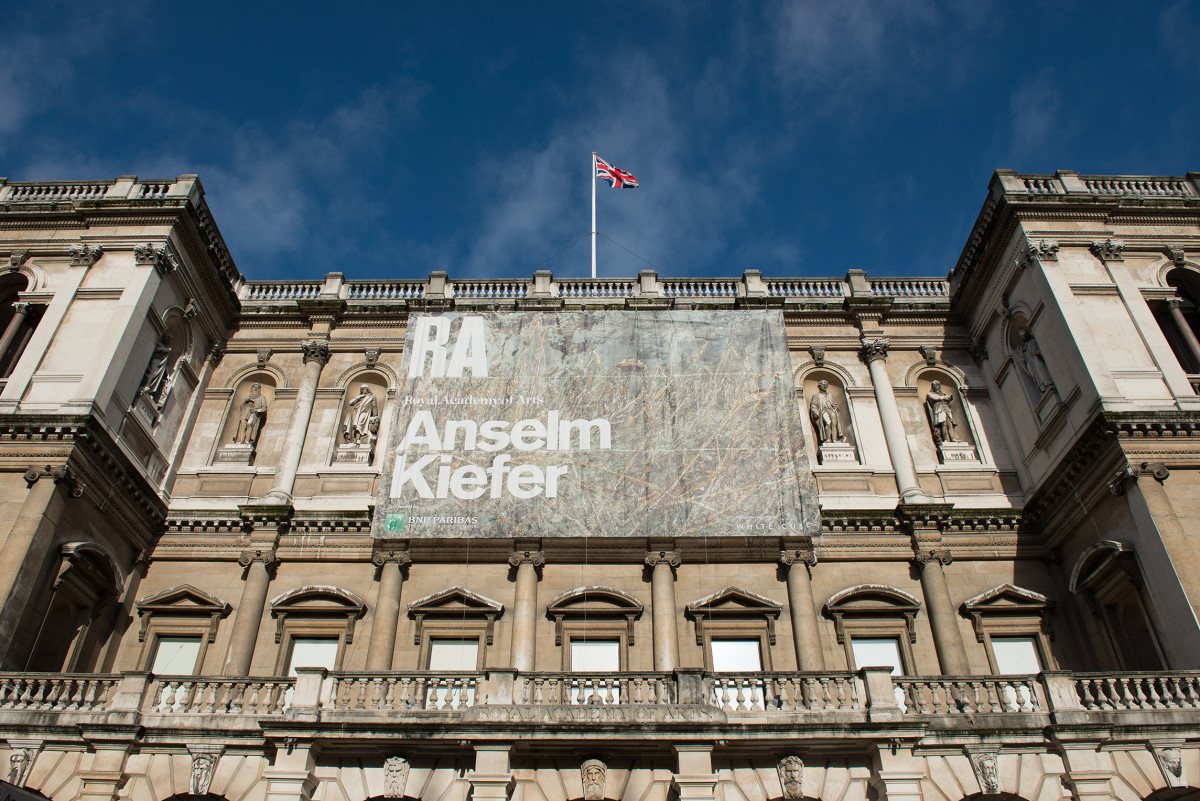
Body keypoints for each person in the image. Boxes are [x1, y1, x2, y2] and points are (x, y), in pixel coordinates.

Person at [1016, 326, 1054, 393]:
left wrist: (1035, 353)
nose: (1024, 336)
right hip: (1032, 365)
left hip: (1037, 360)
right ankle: (1042, 387)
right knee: (1037, 376)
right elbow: (1023, 361)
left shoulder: (1033, 341)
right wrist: (1020, 352)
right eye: (1022, 336)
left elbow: (1041, 350)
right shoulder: (1024, 348)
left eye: (1025, 334)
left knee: (1041, 369)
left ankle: (1048, 382)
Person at [808, 380, 845, 445]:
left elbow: (834, 404)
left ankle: (834, 439)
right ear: (819, 386)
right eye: (823, 384)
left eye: (826, 385)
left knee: (834, 424)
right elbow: (813, 405)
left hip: (831, 410)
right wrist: (815, 412)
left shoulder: (830, 395)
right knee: (828, 422)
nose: (825, 386)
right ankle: (828, 439)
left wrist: (835, 408)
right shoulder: (816, 395)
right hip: (823, 411)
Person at [140, 333, 173, 400]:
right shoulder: (159, 344)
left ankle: (150, 391)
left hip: (161, 365)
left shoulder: (166, 347)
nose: (168, 340)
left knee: (157, 377)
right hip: (156, 360)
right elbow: (156, 349)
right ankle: (146, 386)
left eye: (170, 339)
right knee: (152, 373)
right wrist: (165, 350)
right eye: (168, 337)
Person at [924, 380, 957, 444]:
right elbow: (936, 398)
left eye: (937, 385)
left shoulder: (943, 393)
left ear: (939, 386)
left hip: (946, 408)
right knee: (943, 424)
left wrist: (948, 398)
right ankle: (946, 439)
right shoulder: (930, 394)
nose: (936, 386)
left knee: (950, 424)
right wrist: (945, 397)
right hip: (939, 409)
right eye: (934, 385)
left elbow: (947, 400)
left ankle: (952, 438)